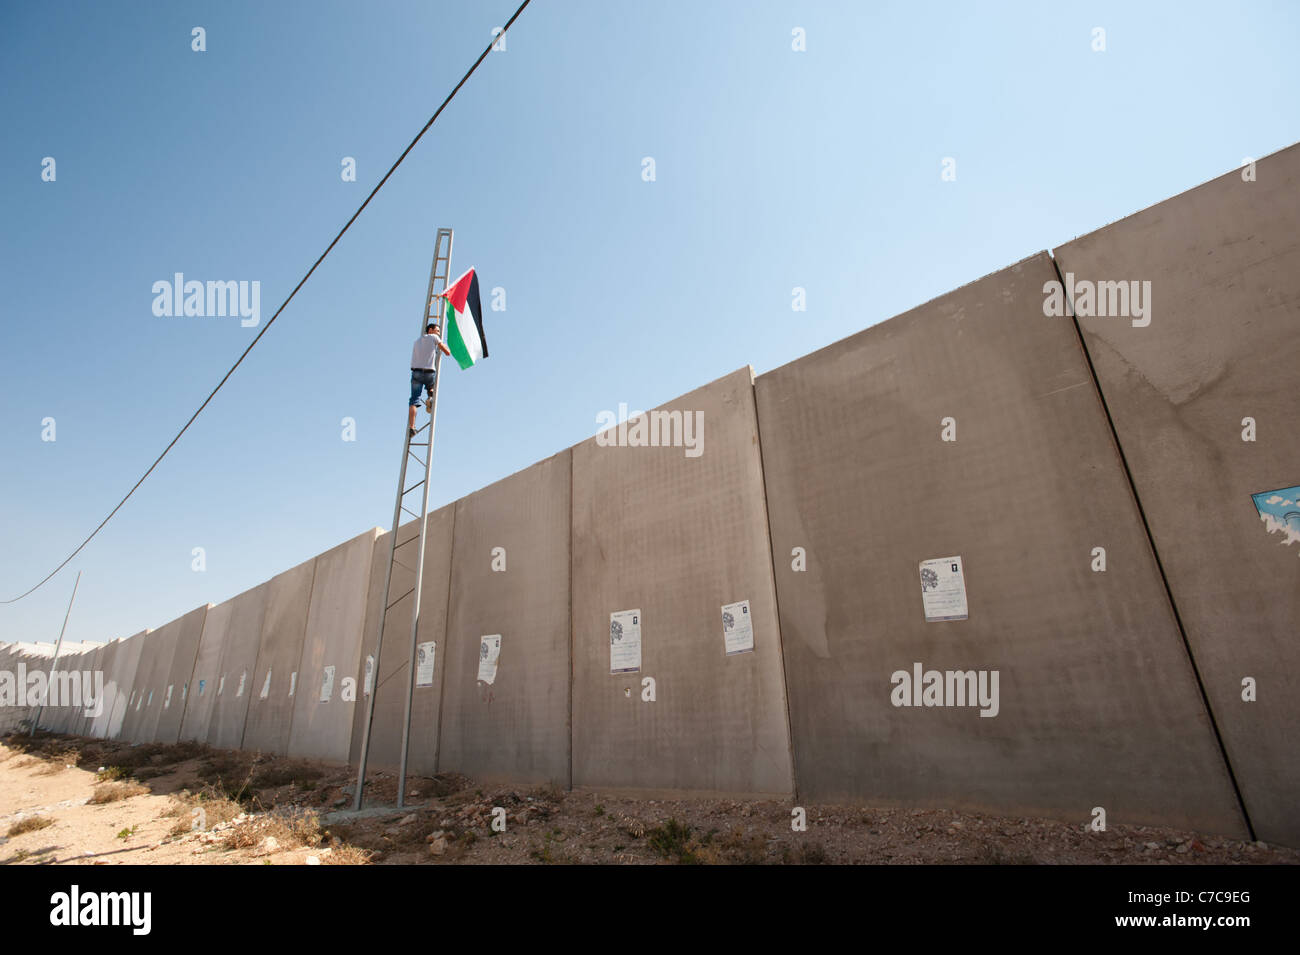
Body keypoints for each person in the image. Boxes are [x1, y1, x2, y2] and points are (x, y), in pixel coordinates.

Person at [409, 322, 451, 436]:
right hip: (428, 371)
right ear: (430, 330)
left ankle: (412, 427)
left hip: (416, 372)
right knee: (431, 387)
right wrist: (446, 348)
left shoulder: (416, 341)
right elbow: (447, 352)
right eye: (437, 330)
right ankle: (430, 397)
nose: (438, 333)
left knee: (414, 400)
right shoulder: (434, 337)